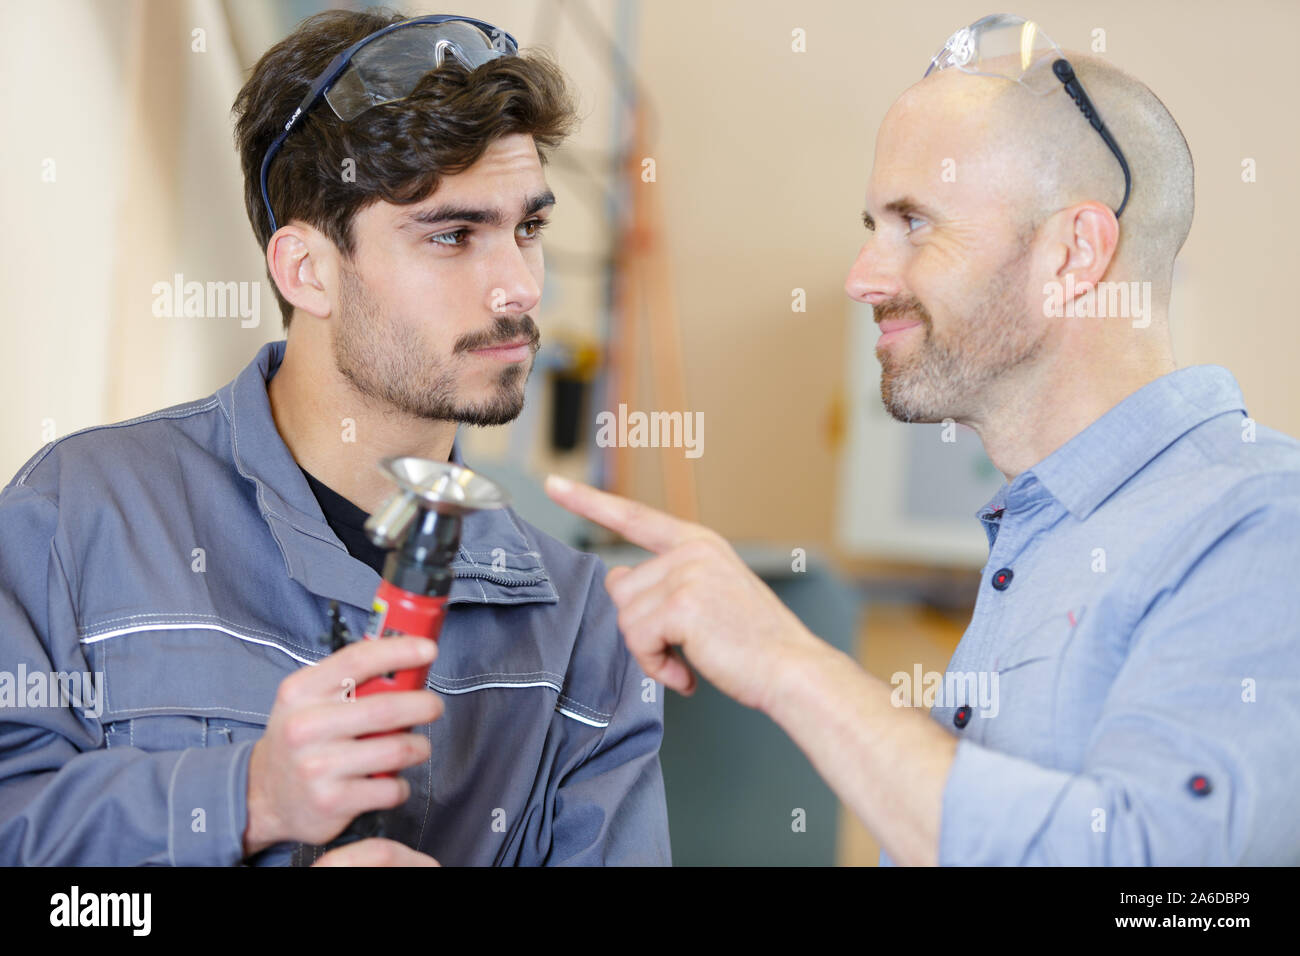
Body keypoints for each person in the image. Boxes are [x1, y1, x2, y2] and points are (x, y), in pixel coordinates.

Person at [544, 14, 1300, 865]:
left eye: (915, 223)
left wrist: (787, 659)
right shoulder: (1042, 531)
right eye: (873, 227)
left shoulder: (1262, 521)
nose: (863, 277)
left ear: (1075, 254)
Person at [0, 9, 670, 867]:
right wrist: (247, 799)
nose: (519, 288)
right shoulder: (80, 518)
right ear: (305, 270)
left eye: (528, 229)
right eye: (453, 235)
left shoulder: (580, 625)